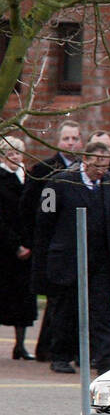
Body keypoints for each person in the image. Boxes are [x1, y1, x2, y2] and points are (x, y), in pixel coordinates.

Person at [33, 141, 110, 375]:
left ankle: (105, 357)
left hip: (102, 259)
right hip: (68, 258)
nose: (101, 169)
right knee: (65, 310)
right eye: (96, 164)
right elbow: (45, 220)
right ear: (84, 160)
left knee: (102, 311)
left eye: (105, 165)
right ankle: (61, 356)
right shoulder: (59, 182)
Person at [20, 119, 83, 361]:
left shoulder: (83, 169)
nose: (71, 142)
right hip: (51, 244)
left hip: (73, 244)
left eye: (75, 138)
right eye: (66, 138)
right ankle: (50, 348)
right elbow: (32, 208)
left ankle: (63, 347)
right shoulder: (46, 170)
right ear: (58, 142)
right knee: (56, 300)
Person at [0, 136, 36, 360]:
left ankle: (20, 345)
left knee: (24, 299)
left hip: (27, 248)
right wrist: (15, 244)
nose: (14, 156)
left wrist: (29, 243)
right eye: (10, 152)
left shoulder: (29, 178)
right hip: (4, 249)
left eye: (17, 152)